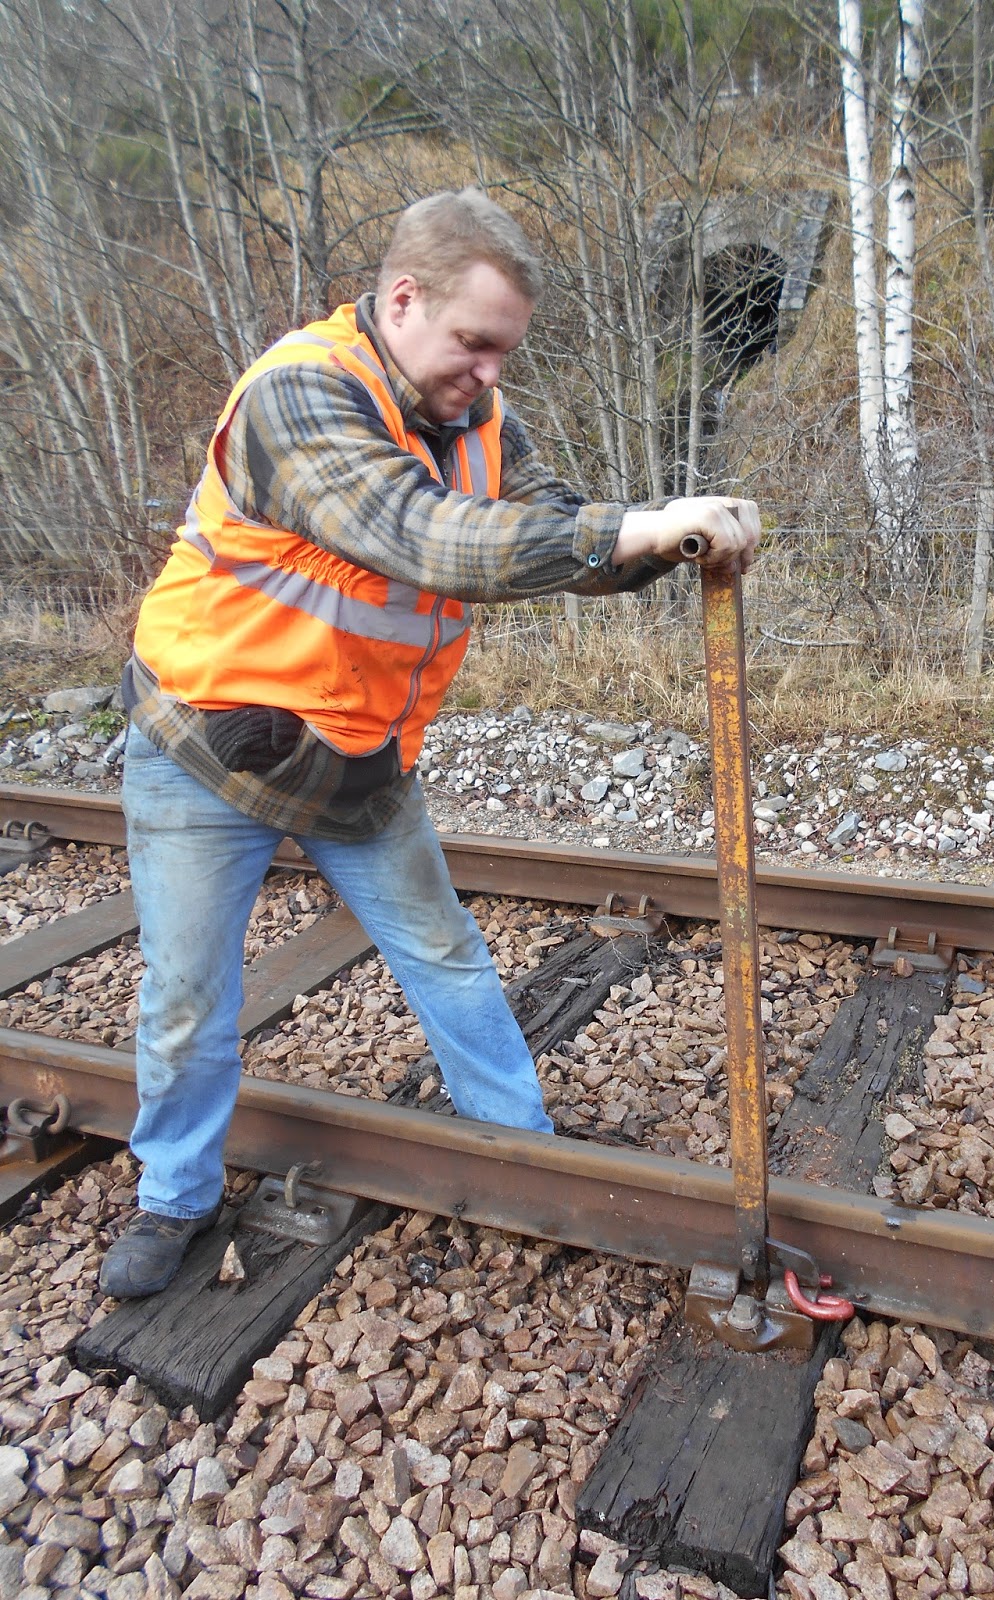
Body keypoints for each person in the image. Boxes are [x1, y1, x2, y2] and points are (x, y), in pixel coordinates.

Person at [100, 187, 760, 1298]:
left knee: (445, 951)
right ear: (402, 298)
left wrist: (666, 536)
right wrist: (626, 529)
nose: (491, 373)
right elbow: (417, 535)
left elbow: (553, 528)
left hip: (359, 753)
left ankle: (524, 1155)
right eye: (474, 344)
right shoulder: (300, 393)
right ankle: (175, 1194)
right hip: (210, 748)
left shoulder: (477, 418)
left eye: (504, 352)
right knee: (188, 995)